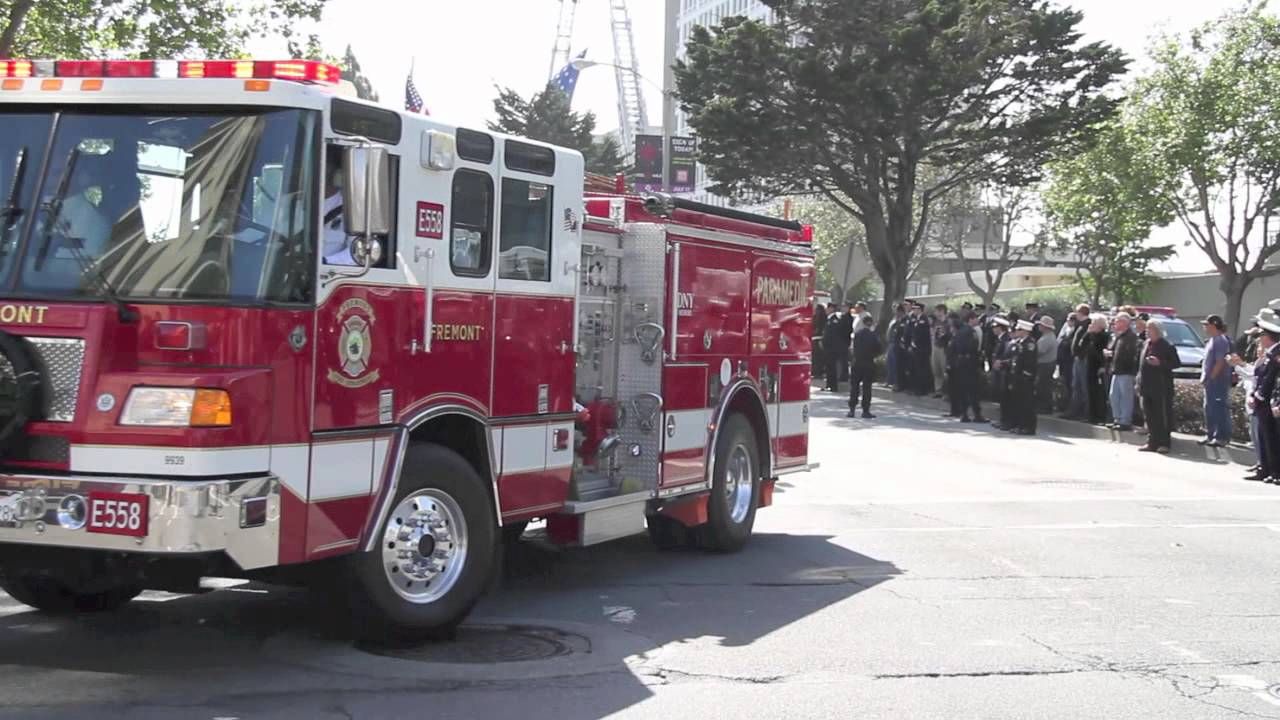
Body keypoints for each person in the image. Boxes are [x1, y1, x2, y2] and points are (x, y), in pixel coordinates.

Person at [1228, 321, 1265, 479]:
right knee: (1254, 434)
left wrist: (1239, 364)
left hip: (1259, 401)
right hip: (1252, 400)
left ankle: (1265, 464)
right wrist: (1239, 364)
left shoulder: (1267, 362)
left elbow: (1253, 374)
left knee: (1260, 436)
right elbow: (1249, 372)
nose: (1257, 350)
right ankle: (1260, 462)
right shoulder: (1258, 362)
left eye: (1260, 347)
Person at [1138, 319, 1181, 454]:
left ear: (1157, 330)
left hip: (1161, 387)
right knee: (1149, 415)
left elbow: (1176, 363)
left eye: (1149, 329)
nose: (1147, 331)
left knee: (1161, 415)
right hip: (1146, 385)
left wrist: (1160, 363)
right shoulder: (1146, 344)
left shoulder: (1167, 346)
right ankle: (1152, 442)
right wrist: (1138, 381)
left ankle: (1164, 443)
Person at [1249, 309, 1280, 481]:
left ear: (1268, 336)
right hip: (1264, 401)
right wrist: (1254, 394)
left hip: (1269, 401)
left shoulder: (1277, 354)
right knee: (1264, 437)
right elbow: (1260, 376)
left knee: (1272, 438)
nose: (1259, 339)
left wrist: (1259, 396)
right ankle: (1266, 469)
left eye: (1262, 335)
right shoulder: (1270, 354)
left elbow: (1271, 379)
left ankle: (1275, 472)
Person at [1199, 314, 1233, 448]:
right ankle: (1210, 434)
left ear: (1213, 326)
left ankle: (1221, 437)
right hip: (1211, 381)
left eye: (1206, 325)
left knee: (1219, 408)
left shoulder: (1220, 341)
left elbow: (1220, 362)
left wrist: (1211, 378)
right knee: (1209, 408)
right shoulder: (1211, 341)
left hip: (1218, 381)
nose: (1204, 327)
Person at [948, 312, 986, 422]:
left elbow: (953, 348)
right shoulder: (971, 331)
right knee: (973, 389)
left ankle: (964, 414)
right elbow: (974, 347)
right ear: (970, 320)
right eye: (975, 319)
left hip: (960, 363)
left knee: (963, 389)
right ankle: (977, 414)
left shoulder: (958, 332)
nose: (977, 321)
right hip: (970, 363)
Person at [1105, 313, 1141, 431]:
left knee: (1126, 396)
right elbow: (1114, 350)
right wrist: (1110, 354)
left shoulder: (1131, 337)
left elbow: (1130, 355)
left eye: (1117, 321)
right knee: (1114, 395)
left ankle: (1125, 421)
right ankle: (1117, 418)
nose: (1115, 323)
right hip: (1116, 370)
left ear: (1125, 323)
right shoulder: (1119, 337)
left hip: (1126, 371)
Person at [323, 159, 359, 266]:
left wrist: (325, 261)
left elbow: (357, 253)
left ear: (338, 177)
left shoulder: (353, 209)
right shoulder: (288, 203)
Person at [1008, 320, 1040, 434]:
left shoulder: (1030, 344)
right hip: (1017, 376)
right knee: (1019, 402)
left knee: (1027, 403)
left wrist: (1026, 375)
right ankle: (1020, 425)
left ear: (1025, 331)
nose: (1016, 331)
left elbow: (1030, 362)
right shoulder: (1019, 342)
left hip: (1025, 377)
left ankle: (1029, 427)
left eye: (1019, 329)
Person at [848, 315, 882, 419]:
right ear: (871, 324)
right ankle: (865, 411)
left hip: (857, 362)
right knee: (867, 388)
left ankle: (852, 410)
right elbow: (879, 349)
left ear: (863, 323)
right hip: (868, 363)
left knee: (854, 387)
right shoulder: (873, 336)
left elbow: (853, 348)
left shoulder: (857, 334)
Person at [1084, 313, 1111, 424]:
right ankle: (1091, 415)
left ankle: (1100, 416)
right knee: (1090, 391)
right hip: (1090, 366)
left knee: (1099, 393)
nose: (1091, 325)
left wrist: (1103, 366)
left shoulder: (1104, 337)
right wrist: (1088, 334)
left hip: (1098, 367)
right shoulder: (1091, 335)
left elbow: (1102, 353)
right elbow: (1082, 344)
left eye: (1093, 323)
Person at [1066, 304, 1093, 419]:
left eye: (1077, 312)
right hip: (1077, 358)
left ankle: (1085, 412)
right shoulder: (1079, 325)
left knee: (1083, 386)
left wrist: (1081, 354)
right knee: (1075, 385)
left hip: (1082, 359)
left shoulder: (1088, 324)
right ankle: (1074, 410)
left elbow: (1087, 343)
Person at [989, 316, 1013, 429]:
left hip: (1003, 372)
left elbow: (1006, 355)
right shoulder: (1000, 339)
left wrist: (1000, 363)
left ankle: (1006, 421)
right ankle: (1002, 419)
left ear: (1001, 328)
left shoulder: (1006, 339)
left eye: (995, 327)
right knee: (1001, 397)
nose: (993, 329)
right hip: (998, 371)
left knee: (1005, 397)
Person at [1035, 316, 1058, 414]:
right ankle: (1044, 406)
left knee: (1043, 386)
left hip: (1045, 364)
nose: (1039, 326)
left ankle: (1045, 407)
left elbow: (1039, 351)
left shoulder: (1047, 338)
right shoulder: (1047, 336)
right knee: (1043, 385)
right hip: (1047, 364)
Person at [821, 303, 845, 392]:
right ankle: (829, 384)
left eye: (827, 308)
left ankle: (833, 386)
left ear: (831, 309)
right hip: (828, 347)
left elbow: (832, 336)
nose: (826, 310)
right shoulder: (829, 319)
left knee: (832, 367)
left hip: (832, 348)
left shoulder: (834, 320)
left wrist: (826, 343)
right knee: (828, 366)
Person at [911, 302, 934, 395]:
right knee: (918, 368)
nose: (913, 311)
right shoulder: (918, 319)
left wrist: (915, 342)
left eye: (915, 309)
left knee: (922, 369)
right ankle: (919, 388)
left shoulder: (923, 319)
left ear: (919, 309)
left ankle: (922, 389)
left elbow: (921, 334)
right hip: (918, 348)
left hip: (922, 349)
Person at [1056, 314, 1077, 413]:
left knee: (1069, 384)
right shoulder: (1066, 329)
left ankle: (1068, 405)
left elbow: (1068, 345)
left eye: (1069, 320)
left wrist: (1064, 341)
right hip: (1063, 362)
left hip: (1069, 362)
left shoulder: (1074, 331)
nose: (1067, 322)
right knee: (1063, 384)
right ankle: (1062, 404)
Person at [931, 304, 951, 399]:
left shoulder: (948, 322)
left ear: (942, 311)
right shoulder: (936, 322)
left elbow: (950, 335)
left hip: (944, 348)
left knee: (945, 370)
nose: (935, 313)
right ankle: (938, 390)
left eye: (937, 311)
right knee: (936, 370)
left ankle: (946, 392)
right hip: (936, 346)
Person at [885, 303, 906, 389]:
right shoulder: (894, 319)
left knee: (895, 364)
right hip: (890, 342)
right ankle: (889, 380)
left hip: (896, 343)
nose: (894, 311)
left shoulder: (902, 320)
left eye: (896, 309)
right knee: (889, 363)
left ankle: (896, 382)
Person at [812, 303, 829, 381]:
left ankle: (818, 372)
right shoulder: (822, 317)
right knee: (817, 357)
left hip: (817, 338)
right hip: (817, 339)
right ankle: (817, 372)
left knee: (817, 357)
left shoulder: (820, 318)